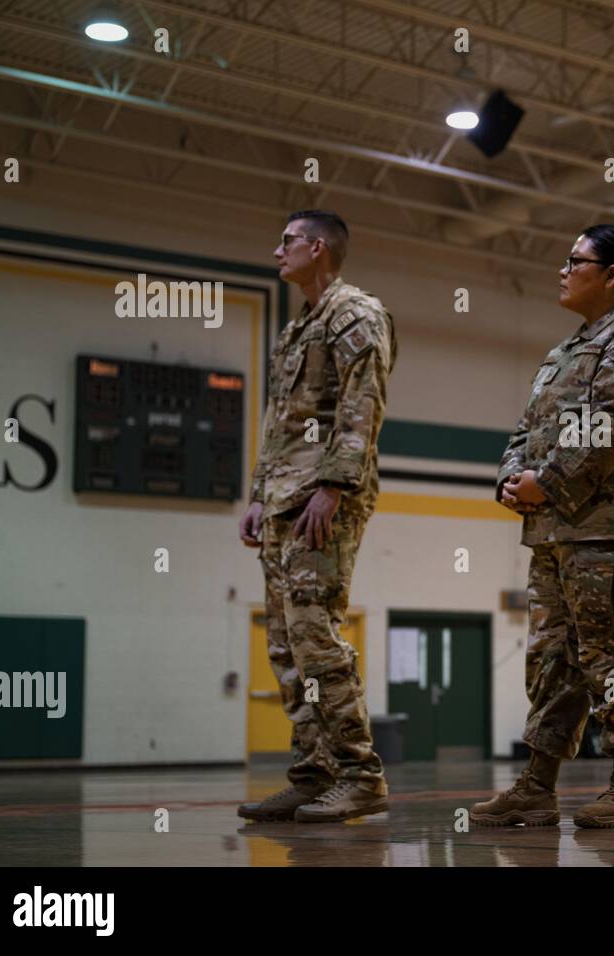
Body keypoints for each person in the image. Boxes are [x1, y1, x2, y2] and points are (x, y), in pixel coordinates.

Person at [470, 224, 614, 829]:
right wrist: (514, 479)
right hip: (555, 529)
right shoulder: (563, 352)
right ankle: (537, 786)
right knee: (551, 658)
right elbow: (527, 431)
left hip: (610, 528)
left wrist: (550, 483)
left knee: (612, 658)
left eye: (575, 261)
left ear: (612, 275)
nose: (562, 271)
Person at [236, 210, 397, 823]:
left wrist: (333, 486)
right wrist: (257, 494)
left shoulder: (356, 313)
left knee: (315, 635)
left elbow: (363, 405)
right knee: (284, 645)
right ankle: (313, 773)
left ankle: (360, 775)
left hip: (322, 500)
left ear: (319, 247)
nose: (276, 250)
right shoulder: (297, 328)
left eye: (287, 241)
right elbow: (280, 420)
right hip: (282, 500)